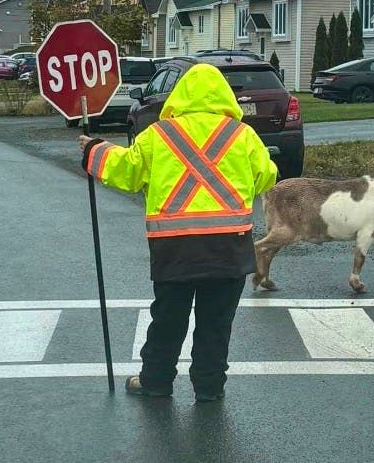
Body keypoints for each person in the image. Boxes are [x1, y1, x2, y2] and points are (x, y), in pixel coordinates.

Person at [79, 63, 277, 402]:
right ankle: (209, 388)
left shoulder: (160, 135)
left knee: (168, 318)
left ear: (180, 96)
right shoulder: (242, 136)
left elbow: (126, 171)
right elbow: (266, 176)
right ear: (225, 97)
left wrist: (93, 150)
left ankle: (155, 381)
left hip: (175, 249)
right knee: (216, 324)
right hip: (229, 249)